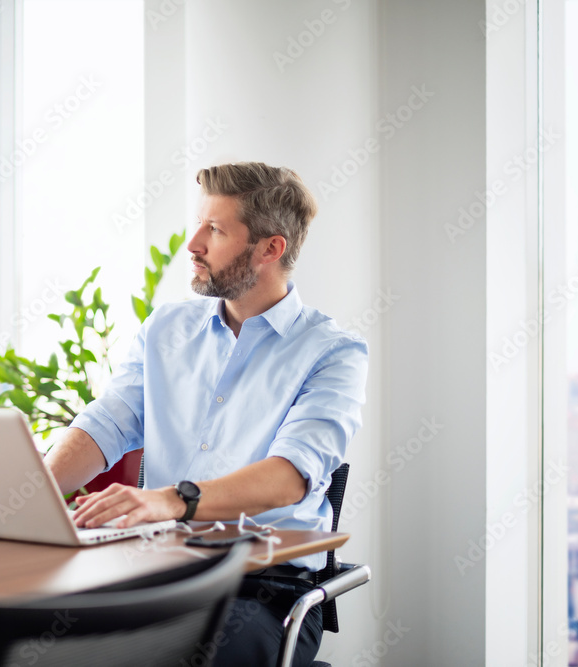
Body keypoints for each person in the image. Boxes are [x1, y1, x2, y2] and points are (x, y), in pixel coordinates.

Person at [44, 161, 368, 666]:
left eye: (214, 229)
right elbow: (105, 424)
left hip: (262, 590)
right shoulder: (166, 329)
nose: (192, 243)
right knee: (32, 639)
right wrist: (26, 493)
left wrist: (173, 501)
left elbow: (290, 478)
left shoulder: (334, 353)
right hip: (154, 570)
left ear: (270, 248)